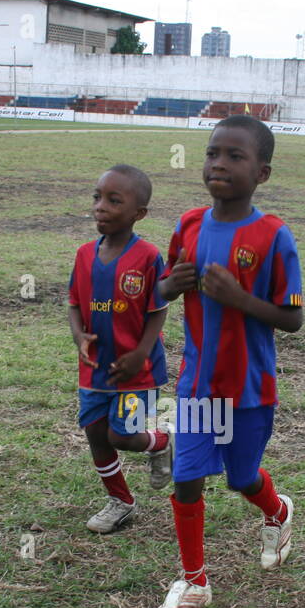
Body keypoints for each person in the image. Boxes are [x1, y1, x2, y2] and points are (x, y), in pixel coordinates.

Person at [152, 115, 304, 608]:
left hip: (249, 389)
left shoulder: (273, 235)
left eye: (234, 156)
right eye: (213, 153)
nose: (219, 163)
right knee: (187, 477)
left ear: (262, 172)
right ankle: (195, 581)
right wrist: (172, 285)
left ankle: (278, 512)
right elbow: (163, 291)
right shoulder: (188, 225)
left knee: (241, 478)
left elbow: (293, 318)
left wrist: (240, 300)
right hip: (197, 385)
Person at [68, 164, 173, 534]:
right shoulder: (83, 255)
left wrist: (141, 353)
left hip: (137, 373)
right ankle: (121, 501)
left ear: (138, 213)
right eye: (97, 197)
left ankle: (160, 440)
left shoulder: (147, 256)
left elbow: (158, 311)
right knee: (96, 434)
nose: (101, 206)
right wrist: (79, 336)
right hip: (95, 370)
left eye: (114, 200)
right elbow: (74, 305)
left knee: (121, 436)